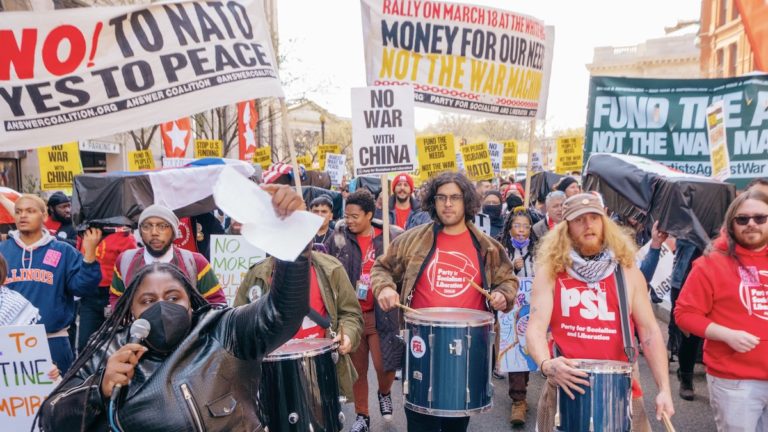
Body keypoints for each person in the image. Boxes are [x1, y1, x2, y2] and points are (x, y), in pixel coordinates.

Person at [38, 184, 307, 431]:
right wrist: (99, 389)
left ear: (191, 301)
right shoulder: (109, 350)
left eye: (173, 297)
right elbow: (51, 417)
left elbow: (282, 313)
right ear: (130, 311)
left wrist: (293, 237)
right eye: (148, 301)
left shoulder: (223, 330)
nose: (162, 307)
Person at [373, 172, 518, 432]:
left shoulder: (488, 247)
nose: (447, 204)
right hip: (421, 344)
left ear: (467, 202)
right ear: (432, 201)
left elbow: (508, 282)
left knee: (456, 421)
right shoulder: (412, 240)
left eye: (454, 197)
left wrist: (502, 295)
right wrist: (384, 287)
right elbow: (381, 269)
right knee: (419, 420)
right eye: (441, 197)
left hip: (465, 349)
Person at [526, 193, 674, 431]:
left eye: (594, 217)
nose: (588, 225)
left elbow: (649, 333)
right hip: (566, 383)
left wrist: (664, 390)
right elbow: (535, 328)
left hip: (622, 384)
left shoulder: (627, 272)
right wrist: (547, 364)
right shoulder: (551, 272)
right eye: (579, 219)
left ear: (605, 222)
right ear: (566, 228)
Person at [675, 190, 768, 431]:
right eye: (742, 219)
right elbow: (684, 314)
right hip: (735, 380)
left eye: (760, 218)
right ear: (731, 223)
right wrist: (726, 334)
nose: (751, 224)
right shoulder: (711, 263)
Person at [234, 250, 363, 404]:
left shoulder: (331, 268)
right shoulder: (257, 274)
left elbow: (351, 314)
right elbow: (238, 325)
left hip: (320, 369)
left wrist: (347, 335)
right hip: (271, 373)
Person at [325, 189, 403, 432]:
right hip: (353, 317)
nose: (349, 220)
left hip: (383, 314)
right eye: (346, 215)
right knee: (358, 371)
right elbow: (325, 266)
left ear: (370, 214)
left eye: (355, 216)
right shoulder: (338, 238)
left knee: (385, 366)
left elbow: (403, 270)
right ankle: (362, 416)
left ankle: (384, 392)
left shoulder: (390, 237)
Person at [0, 194, 102, 374]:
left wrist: (90, 254)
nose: (23, 216)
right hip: (7, 345)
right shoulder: (3, 251)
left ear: (44, 216)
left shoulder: (63, 251)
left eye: (30, 211)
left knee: (56, 400)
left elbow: (83, 287)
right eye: (18, 212)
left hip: (52, 341)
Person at [109, 204, 226, 307]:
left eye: (162, 226)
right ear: (140, 231)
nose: (154, 232)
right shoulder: (125, 261)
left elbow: (217, 302)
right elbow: (116, 297)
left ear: (174, 231)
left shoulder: (196, 263)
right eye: (147, 226)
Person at [498, 206, 535, 425]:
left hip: (534, 309)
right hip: (510, 309)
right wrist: (512, 267)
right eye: (517, 226)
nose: (521, 230)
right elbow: (496, 276)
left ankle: (524, 391)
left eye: (525, 226)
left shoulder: (539, 250)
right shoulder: (502, 250)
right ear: (510, 228)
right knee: (516, 353)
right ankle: (518, 400)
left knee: (529, 351)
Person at [77, 226, 137, 353]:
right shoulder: (87, 233)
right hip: (90, 295)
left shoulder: (125, 237)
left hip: (114, 295)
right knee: (85, 344)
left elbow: (129, 271)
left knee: (115, 342)